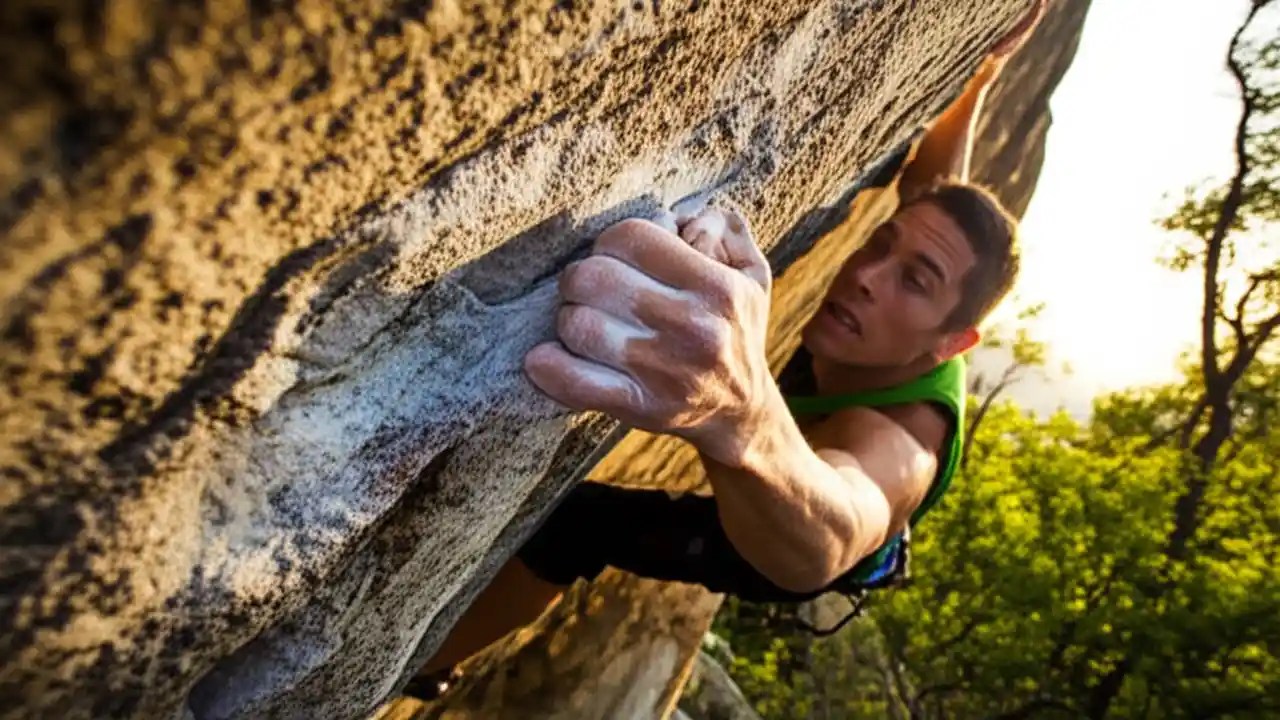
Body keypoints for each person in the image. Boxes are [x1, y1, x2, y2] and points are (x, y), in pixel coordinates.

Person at [413, 0, 1046, 691]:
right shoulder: (894, 317)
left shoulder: (901, 444)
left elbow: (830, 538)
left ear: (953, 343)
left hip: (786, 537)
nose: (864, 276)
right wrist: (982, 74)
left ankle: (433, 667)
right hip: (803, 445)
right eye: (879, 244)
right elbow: (932, 196)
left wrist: (742, 413)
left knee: (575, 528)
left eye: (914, 282)